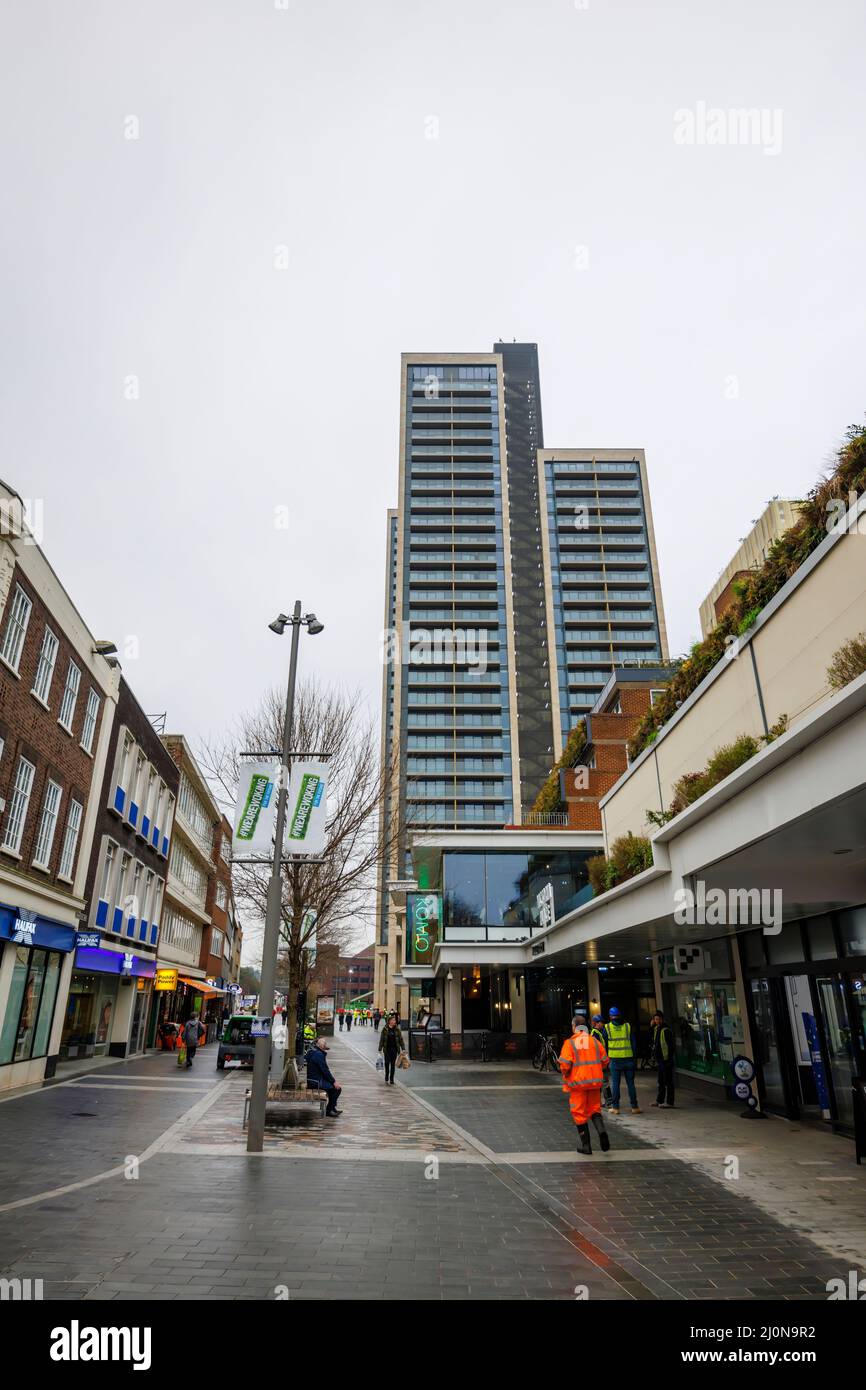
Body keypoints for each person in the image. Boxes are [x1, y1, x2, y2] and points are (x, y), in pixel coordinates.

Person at [558, 1013, 611, 1155]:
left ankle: (586, 1146)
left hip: (578, 1085)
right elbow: (605, 1061)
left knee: (579, 1113)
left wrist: (566, 1073)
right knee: (595, 1109)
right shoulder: (595, 1042)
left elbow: (564, 1065)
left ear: (574, 1026)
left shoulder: (570, 1043)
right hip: (594, 1083)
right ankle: (602, 1131)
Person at [605, 1006, 641, 1114]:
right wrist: (634, 1059)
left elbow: (604, 1044)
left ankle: (615, 1108)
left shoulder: (607, 1028)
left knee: (615, 1084)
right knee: (631, 1084)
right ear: (619, 1015)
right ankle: (635, 1107)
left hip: (615, 1060)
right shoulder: (627, 1026)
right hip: (628, 1059)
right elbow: (634, 1044)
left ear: (610, 1016)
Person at [305, 1037, 342, 1116]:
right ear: (319, 1045)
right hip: (316, 1082)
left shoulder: (313, 1052)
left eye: (325, 1043)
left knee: (332, 1089)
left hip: (313, 1080)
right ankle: (329, 1110)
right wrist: (333, 1081)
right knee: (337, 1089)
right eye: (324, 1043)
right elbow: (325, 1071)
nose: (325, 1044)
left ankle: (332, 1108)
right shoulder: (318, 1055)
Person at [650, 1010, 675, 1108]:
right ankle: (659, 1100)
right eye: (656, 1019)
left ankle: (669, 1102)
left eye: (659, 1019)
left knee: (668, 1081)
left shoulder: (666, 1030)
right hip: (660, 1060)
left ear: (662, 1019)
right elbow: (653, 1041)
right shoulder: (656, 1029)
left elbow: (671, 1046)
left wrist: (668, 1059)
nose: (657, 1021)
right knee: (661, 1081)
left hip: (666, 1060)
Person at [590, 1014, 612, 1108]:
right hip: (600, 1063)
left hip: (601, 1062)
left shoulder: (599, 1033)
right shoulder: (595, 1034)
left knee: (601, 1082)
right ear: (596, 1023)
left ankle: (600, 1102)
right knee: (604, 1082)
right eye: (600, 1022)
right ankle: (608, 1102)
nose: (602, 1024)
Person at [378, 1012, 404, 1085]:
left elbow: (401, 1040)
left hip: (394, 1049)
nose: (394, 1021)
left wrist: (403, 1048)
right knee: (386, 1063)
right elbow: (382, 1039)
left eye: (395, 1020)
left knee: (393, 1064)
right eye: (393, 1020)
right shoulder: (385, 1029)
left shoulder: (397, 1029)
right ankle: (386, 1075)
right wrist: (380, 1049)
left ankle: (392, 1079)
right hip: (387, 1049)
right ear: (389, 1021)